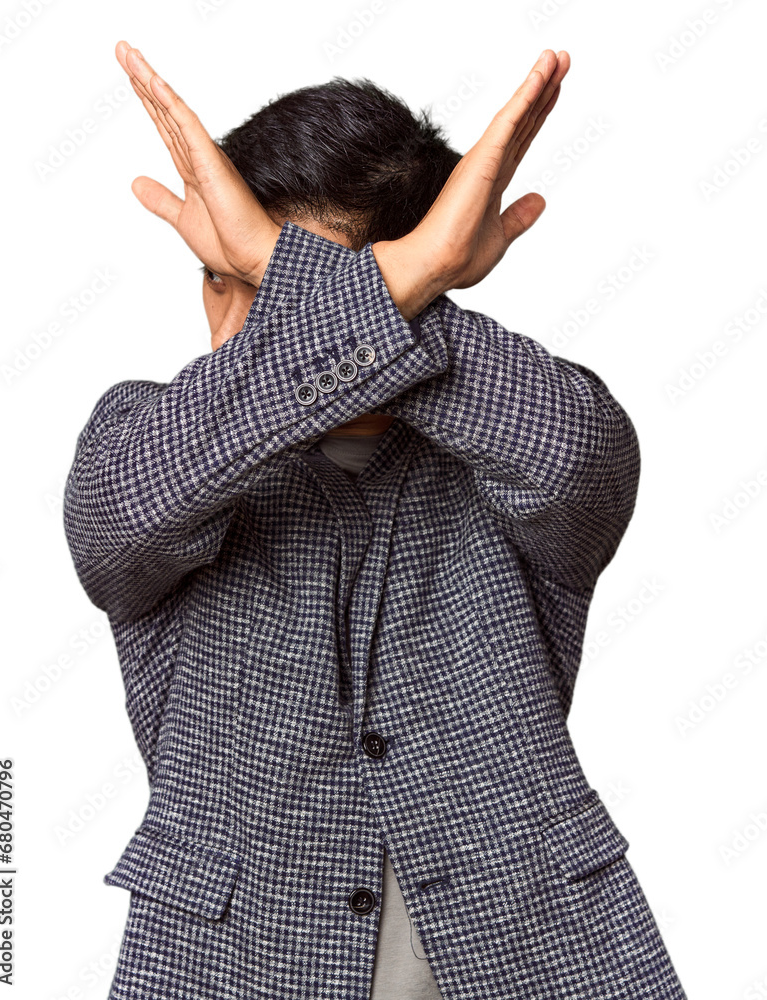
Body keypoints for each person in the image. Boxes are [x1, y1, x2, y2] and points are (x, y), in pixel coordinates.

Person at [62, 42, 689, 999]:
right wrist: (389, 285)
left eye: (275, 289)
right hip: (233, 965)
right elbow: (116, 529)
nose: (242, 332)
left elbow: (584, 472)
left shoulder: (527, 433)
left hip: (532, 953)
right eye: (218, 276)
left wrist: (341, 287)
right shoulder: (146, 435)